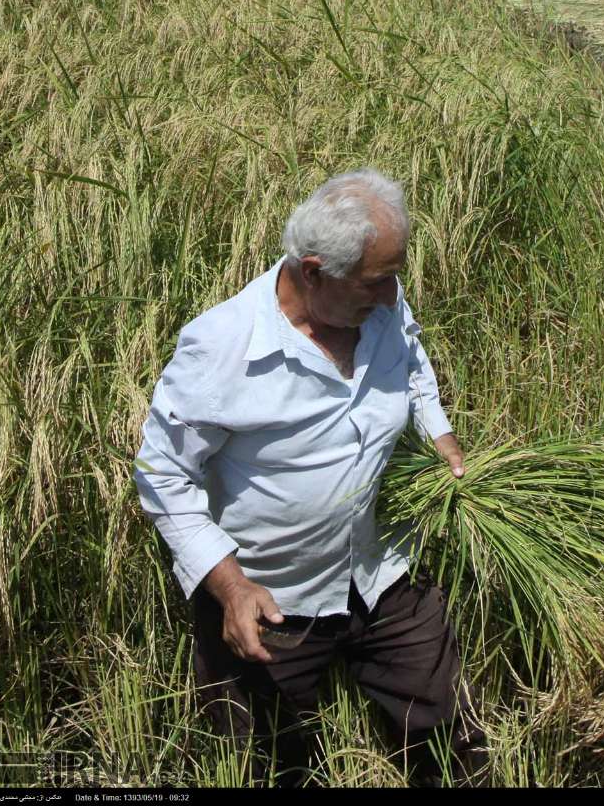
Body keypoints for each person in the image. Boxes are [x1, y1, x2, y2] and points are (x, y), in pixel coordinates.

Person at [132, 169, 486, 786]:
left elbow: (412, 351)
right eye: (378, 282)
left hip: (379, 571)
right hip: (275, 598)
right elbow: (164, 477)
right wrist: (233, 590)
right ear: (315, 272)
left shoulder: (380, 297)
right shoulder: (222, 350)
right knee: (266, 761)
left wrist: (438, 428)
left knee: (448, 732)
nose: (392, 295)